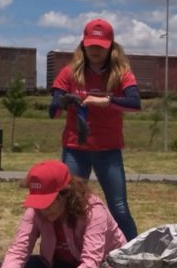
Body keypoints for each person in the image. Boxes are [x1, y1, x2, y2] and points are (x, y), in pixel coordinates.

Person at [50, 18, 142, 239]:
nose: (95, 50)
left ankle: (133, 254)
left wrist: (108, 101)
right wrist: (62, 102)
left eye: (100, 46)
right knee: (70, 204)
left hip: (108, 149)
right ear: (83, 44)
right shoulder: (69, 72)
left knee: (119, 207)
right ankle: (67, 253)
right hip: (75, 148)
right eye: (91, 45)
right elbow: (52, 110)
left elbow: (135, 102)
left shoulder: (121, 73)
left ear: (111, 46)